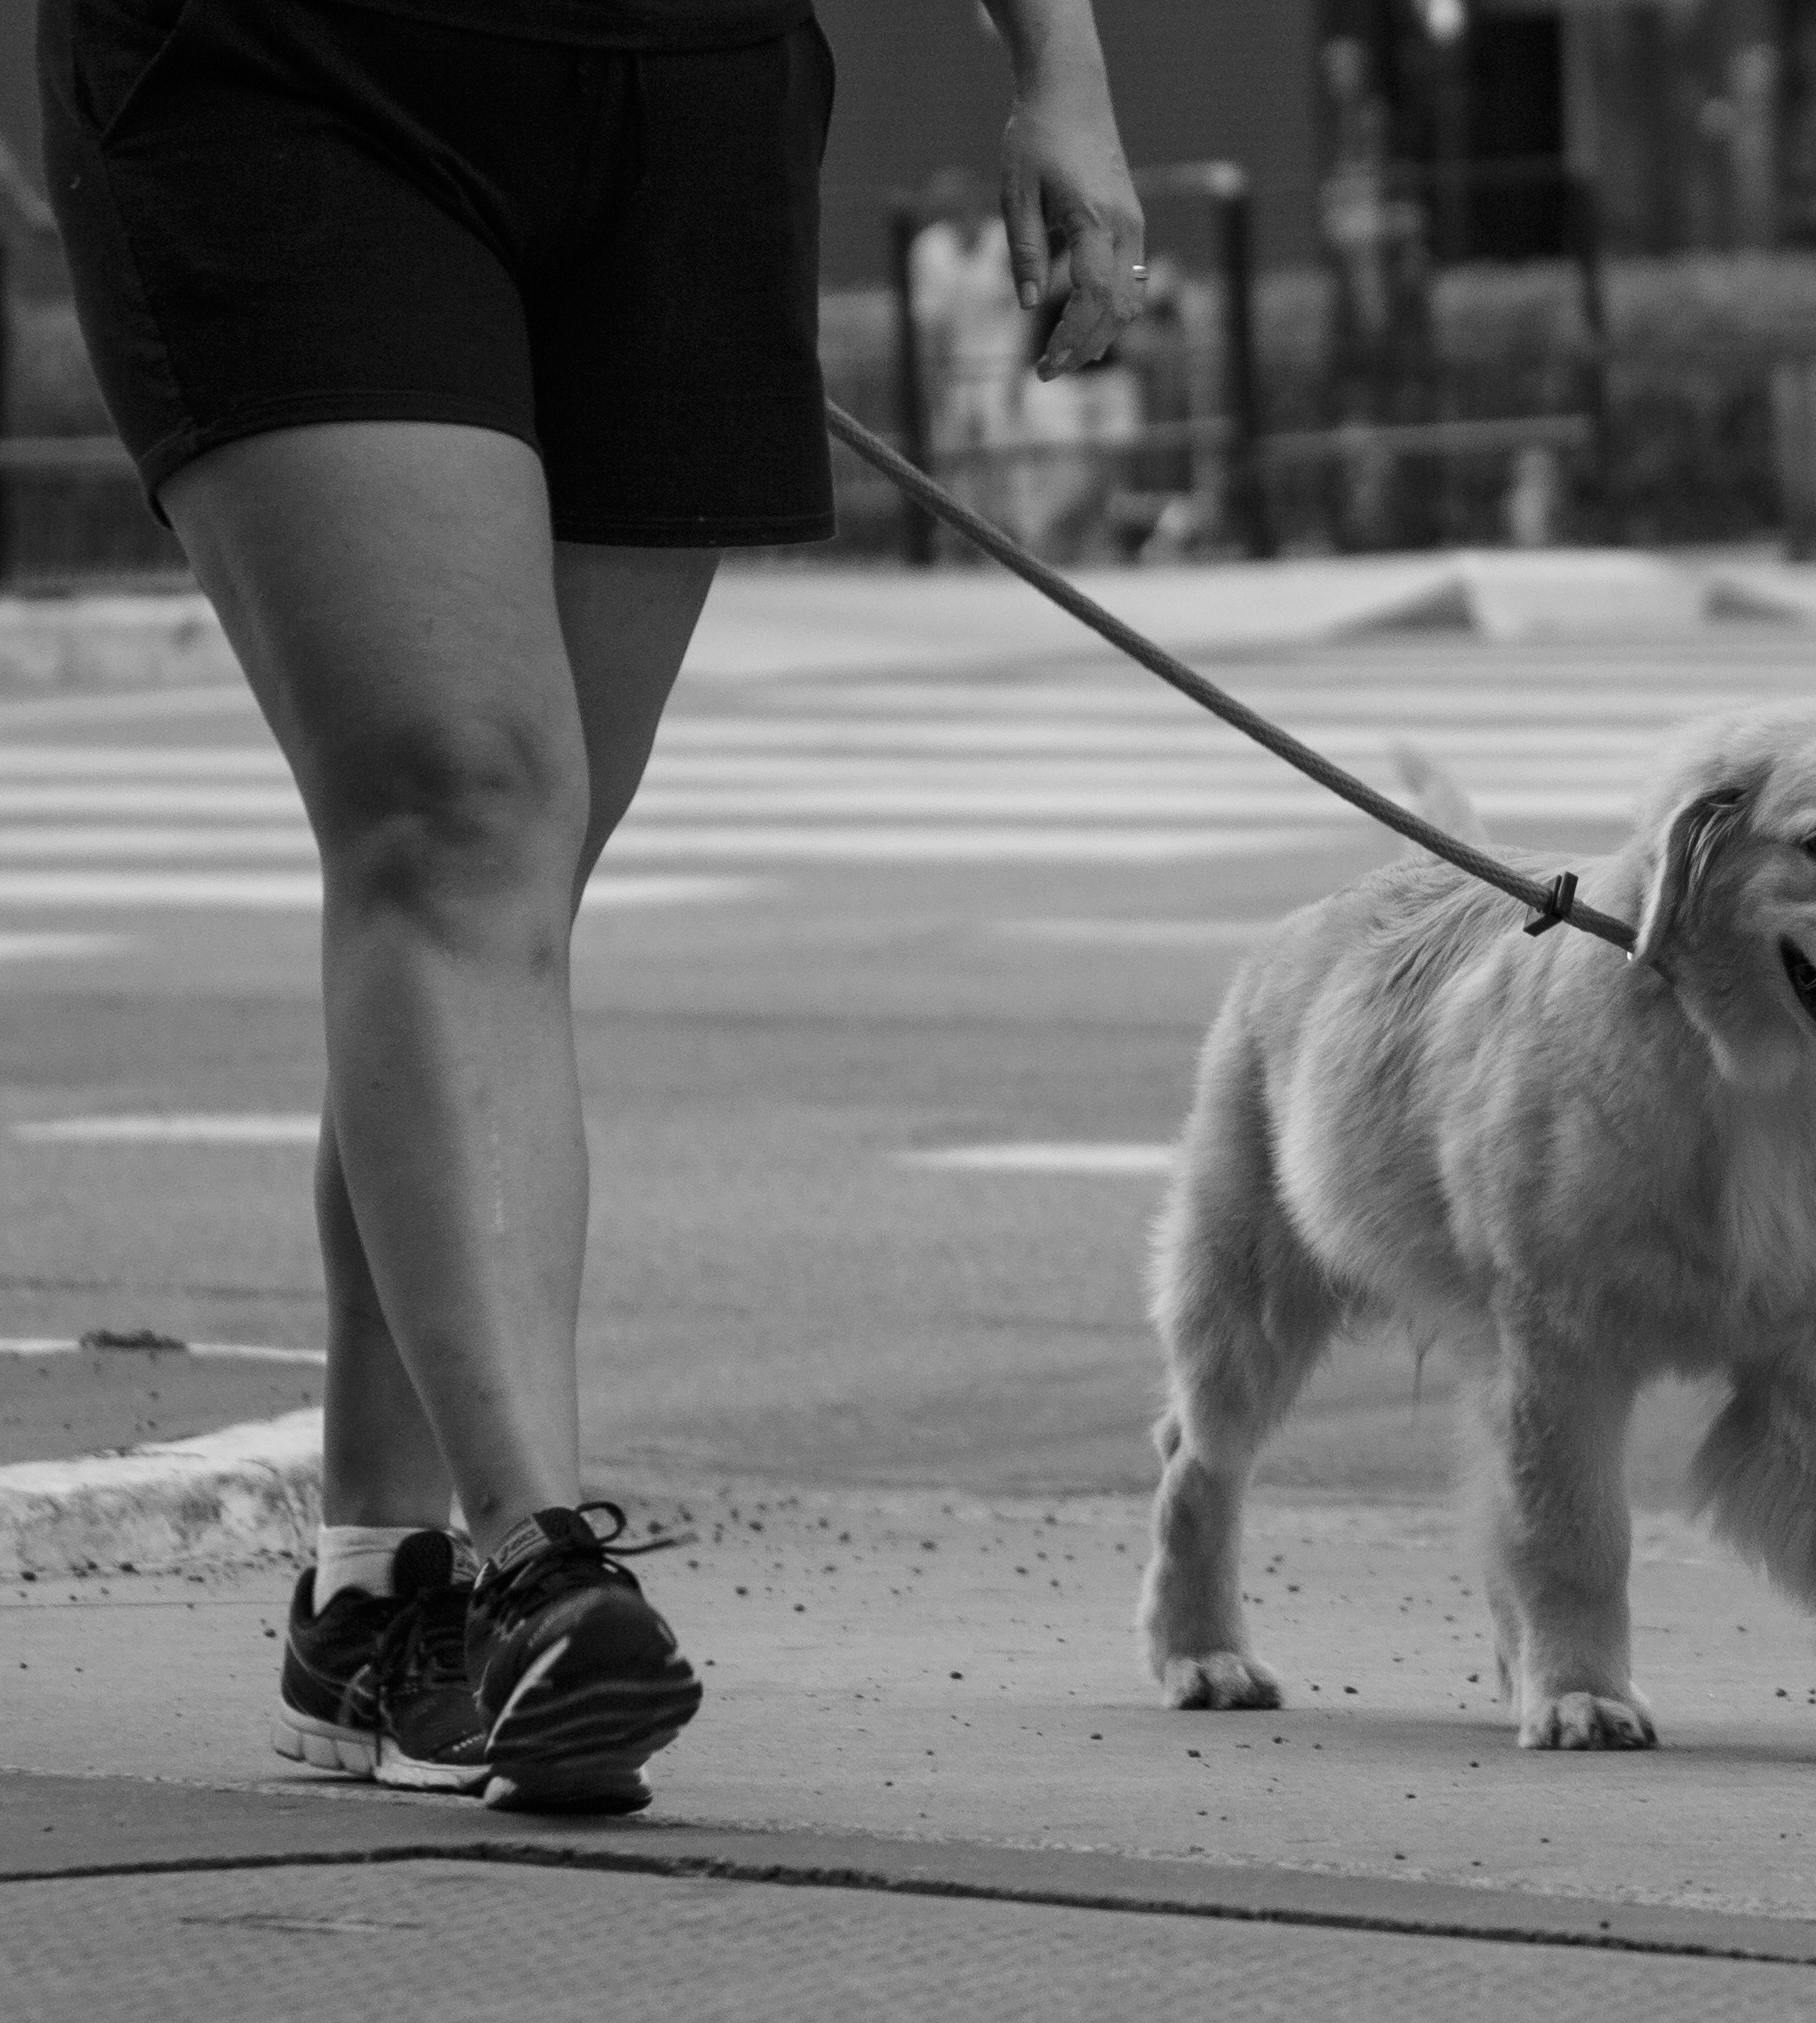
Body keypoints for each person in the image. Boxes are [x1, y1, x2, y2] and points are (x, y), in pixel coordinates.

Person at [38, 0, 1144, 1811]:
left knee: (502, 884)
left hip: (685, 83)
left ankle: (375, 1599)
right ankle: (531, 1571)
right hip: (289, 67)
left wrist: (1062, 64)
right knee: (463, 812)